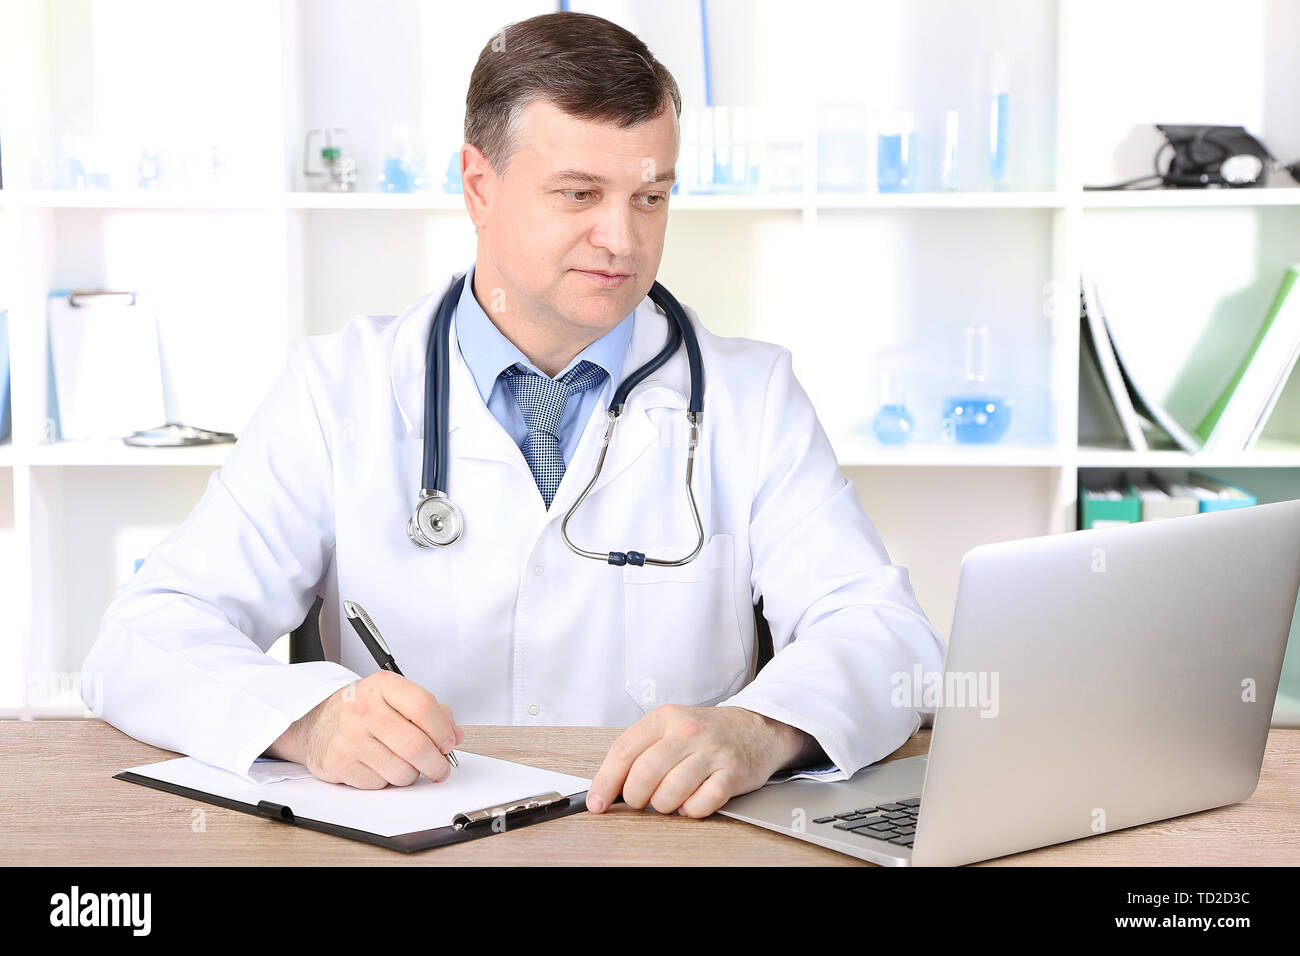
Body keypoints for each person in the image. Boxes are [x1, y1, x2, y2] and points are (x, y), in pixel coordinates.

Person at [81, 11, 945, 819]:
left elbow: (887, 636)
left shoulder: (751, 396)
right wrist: (307, 720)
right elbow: (144, 637)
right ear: (479, 185)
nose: (623, 238)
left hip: (658, 843)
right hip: (405, 841)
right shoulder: (335, 388)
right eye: (579, 195)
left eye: (650, 198)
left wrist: (764, 729)